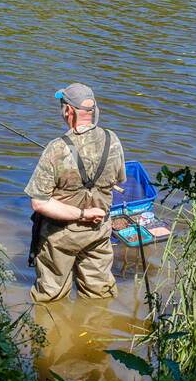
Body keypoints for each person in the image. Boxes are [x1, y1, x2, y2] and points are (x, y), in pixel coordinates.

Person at [26, 83, 124, 303]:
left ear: (69, 110)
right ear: (94, 110)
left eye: (62, 105)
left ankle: (51, 334)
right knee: (99, 294)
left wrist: (82, 214)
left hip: (61, 236)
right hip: (99, 231)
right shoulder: (113, 140)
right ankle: (97, 331)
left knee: (50, 297)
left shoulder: (56, 148)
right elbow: (117, 179)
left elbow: (39, 203)